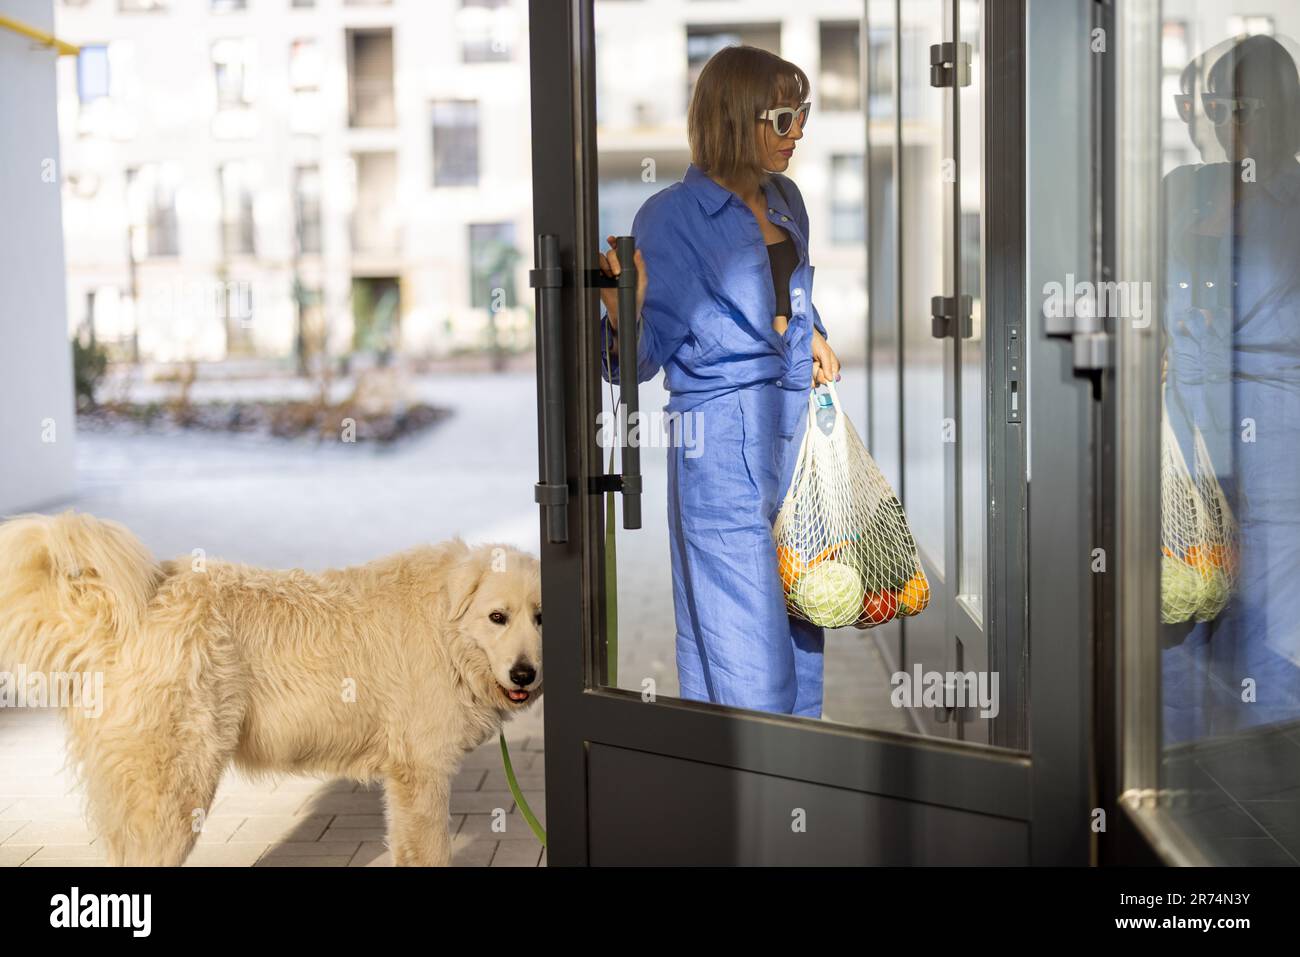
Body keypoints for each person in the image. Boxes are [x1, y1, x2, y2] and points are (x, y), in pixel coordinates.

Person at [596, 45, 841, 718]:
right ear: (736, 119)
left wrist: (810, 332)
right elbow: (641, 360)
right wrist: (622, 312)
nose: (798, 133)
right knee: (744, 653)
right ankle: (752, 799)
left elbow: (789, 294)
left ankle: (785, 802)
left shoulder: (786, 199)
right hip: (721, 443)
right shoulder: (669, 218)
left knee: (801, 627)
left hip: (794, 432)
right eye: (784, 117)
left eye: (803, 115)